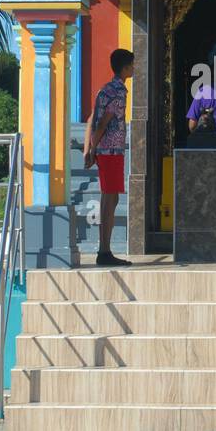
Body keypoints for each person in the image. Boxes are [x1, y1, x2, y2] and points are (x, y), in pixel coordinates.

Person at [82, 48, 134, 267]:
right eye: (132, 65)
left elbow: (92, 119)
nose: (134, 68)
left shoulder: (104, 89)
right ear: (124, 68)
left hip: (104, 150)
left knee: (109, 198)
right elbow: (103, 123)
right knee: (110, 199)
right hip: (111, 150)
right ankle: (104, 250)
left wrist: (90, 148)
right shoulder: (118, 91)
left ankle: (104, 249)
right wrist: (93, 148)